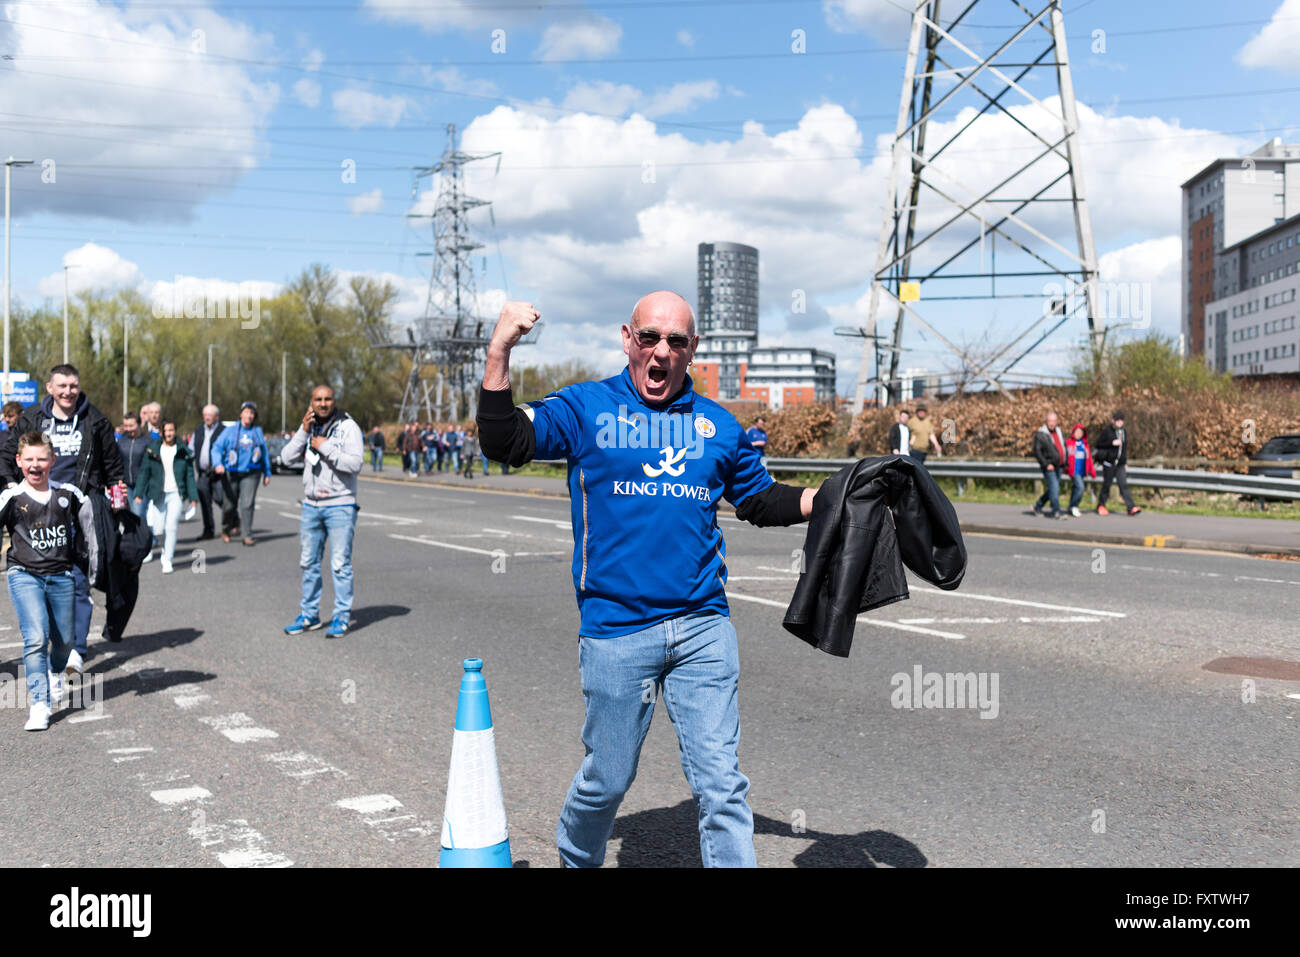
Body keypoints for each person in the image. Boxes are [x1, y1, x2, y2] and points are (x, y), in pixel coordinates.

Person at [477, 293, 818, 869]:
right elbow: (503, 440)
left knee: (722, 786)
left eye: (676, 341)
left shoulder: (717, 425)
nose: (661, 351)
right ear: (627, 339)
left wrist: (829, 498)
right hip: (617, 629)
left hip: (703, 627)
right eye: (649, 338)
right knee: (608, 780)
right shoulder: (586, 408)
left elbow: (759, 500)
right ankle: (575, 857)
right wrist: (500, 349)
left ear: (692, 350)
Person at [0, 364, 125, 677]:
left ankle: (75, 651)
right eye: (62, 385)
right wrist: (11, 487)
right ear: (49, 388)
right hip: (35, 513)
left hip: (80, 511)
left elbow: (112, 465)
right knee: (40, 582)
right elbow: (6, 456)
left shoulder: (95, 420)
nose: (69, 391)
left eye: (73, 385)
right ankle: (51, 641)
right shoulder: (31, 419)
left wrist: (116, 501)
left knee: (78, 581)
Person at [1, 432, 99, 730]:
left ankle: (57, 673)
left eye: (42, 459)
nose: (35, 465)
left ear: (52, 460)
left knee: (64, 641)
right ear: (18, 461)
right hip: (23, 575)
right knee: (35, 638)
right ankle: (40, 704)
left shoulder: (68, 495)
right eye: (29, 459)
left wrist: (93, 571)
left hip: (61, 576)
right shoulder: (11, 498)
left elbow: (91, 533)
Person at [279, 385, 364, 638]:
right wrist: (303, 432)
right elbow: (285, 458)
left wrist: (326, 447)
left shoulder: (348, 427)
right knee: (308, 563)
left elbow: (355, 464)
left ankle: (341, 617)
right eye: (318, 399)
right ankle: (309, 614)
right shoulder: (309, 427)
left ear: (334, 401)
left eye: (327, 399)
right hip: (311, 505)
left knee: (340, 565)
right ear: (311, 402)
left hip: (340, 504)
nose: (323, 403)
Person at [133, 420, 198, 574]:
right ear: (161, 432)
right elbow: (144, 472)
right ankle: (163, 547)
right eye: (166, 431)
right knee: (158, 529)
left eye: (171, 430)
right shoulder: (153, 449)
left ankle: (167, 559)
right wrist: (139, 493)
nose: (169, 434)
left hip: (176, 493)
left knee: (171, 526)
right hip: (158, 493)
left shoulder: (183, 450)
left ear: (175, 431)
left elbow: (189, 476)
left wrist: (193, 499)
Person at [211, 401, 271, 545]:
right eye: (246, 412)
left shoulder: (257, 432)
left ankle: (247, 535)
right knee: (229, 505)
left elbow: (264, 453)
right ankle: (226, 529)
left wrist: (267, 472)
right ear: (241, 414)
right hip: (232, 473)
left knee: (247, 504)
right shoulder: (230, 431)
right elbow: (216, 447)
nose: (249, 415)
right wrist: (218, 464)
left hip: (252, 472)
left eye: (252, 413)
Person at [1095, 410, 1141, 516]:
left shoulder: (1123, 432)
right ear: (1113, 421)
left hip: (1120, 464)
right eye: (1118, 421)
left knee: (1123, 485)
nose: (1120, 423)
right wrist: (1111, 443)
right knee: (1107, 485)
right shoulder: (1107, 431)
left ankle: (1131, 507)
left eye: (1121, 421)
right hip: (1109, 463)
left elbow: (1124, 448)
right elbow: (1099, 444)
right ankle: (1101, 505)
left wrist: (1125, 462)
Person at [191, 404, 227, 541]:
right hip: (203, 473)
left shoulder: (224, 431)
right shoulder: (198, 430)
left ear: (216, 416)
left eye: (210, 415)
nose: (207, 417)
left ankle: (232, 522)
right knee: (205, 502)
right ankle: (208, 530)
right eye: (205, 414)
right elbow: (191, 449)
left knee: (221, 499)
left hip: (218, 474)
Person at [116, 413, 152, 522]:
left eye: (131, 426)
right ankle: (137, 538)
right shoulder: (121, 441)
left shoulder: (147, 441)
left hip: (142, 484)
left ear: (139, 424)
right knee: (129, 515)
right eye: (126, 426)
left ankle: (146, 538)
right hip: (126, 484)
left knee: (138, 513)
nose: (128, 429)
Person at [1032, 411, 1066, 519]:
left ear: (1057, 422)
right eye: (1049, 421)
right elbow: (1037, 452)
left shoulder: (1059, 432)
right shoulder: (1041, 434)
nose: (1052, 423)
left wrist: (1065, 461)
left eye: (1054, 421)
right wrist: (1046, 464)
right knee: (1054, 488)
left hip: (1059, 466)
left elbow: (1063, 447)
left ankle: (1038, 506)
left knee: (1052, 489)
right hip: (1049, 467)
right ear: (1046, 421)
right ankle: (1056, 511)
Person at [1062, 423, 1096, 518]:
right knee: (1080, 488)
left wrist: (1092, 472)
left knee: (1076, 489)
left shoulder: (1085, 445)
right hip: (1073, 470)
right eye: (1077, 432)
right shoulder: (1068, 443)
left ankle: (1070, 507)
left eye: (1080, 432)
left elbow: (1089, 460)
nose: (1078, 434)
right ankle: (1074, 506)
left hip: (1082, 471)